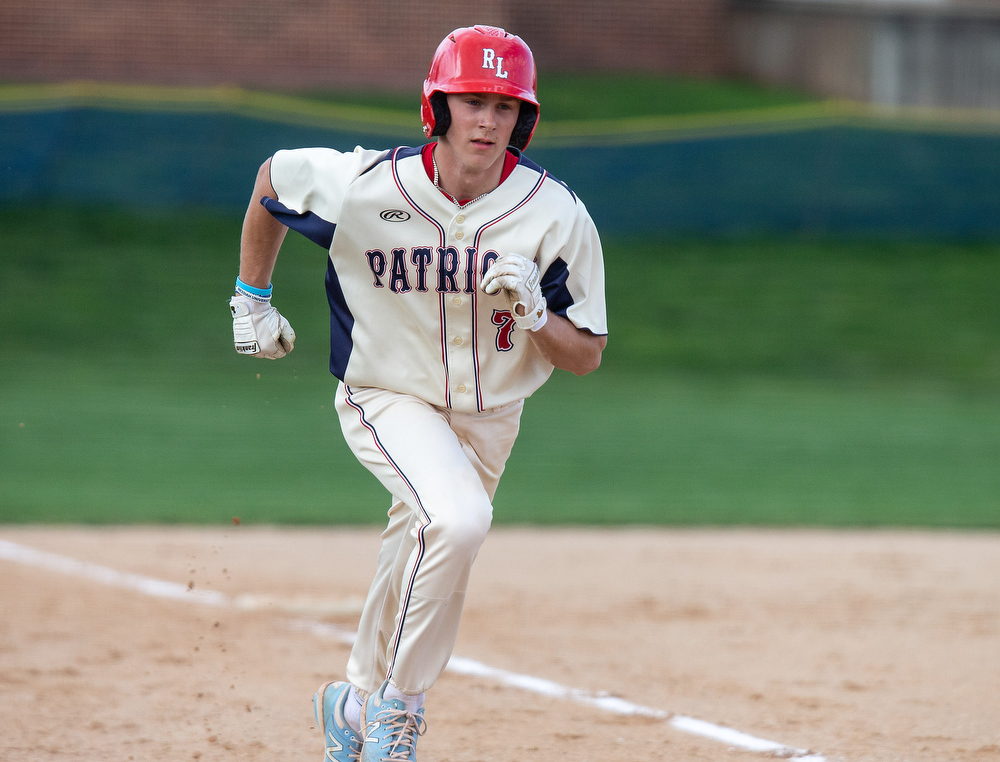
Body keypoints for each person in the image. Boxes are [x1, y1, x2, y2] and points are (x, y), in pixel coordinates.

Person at [229, 24, 607, 762]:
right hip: (384, 395)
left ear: (524, 120)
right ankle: (396, 710)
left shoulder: (555, 215)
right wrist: (251, 298)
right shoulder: (365, 187)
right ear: (438, 107)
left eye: (506, 107)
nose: (489, 120)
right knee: (460, 520)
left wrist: (536, 315)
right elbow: (274, 179)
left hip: (492, 415)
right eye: (473, 101)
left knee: (417, 541)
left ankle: (349, 700)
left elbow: (586, 354)